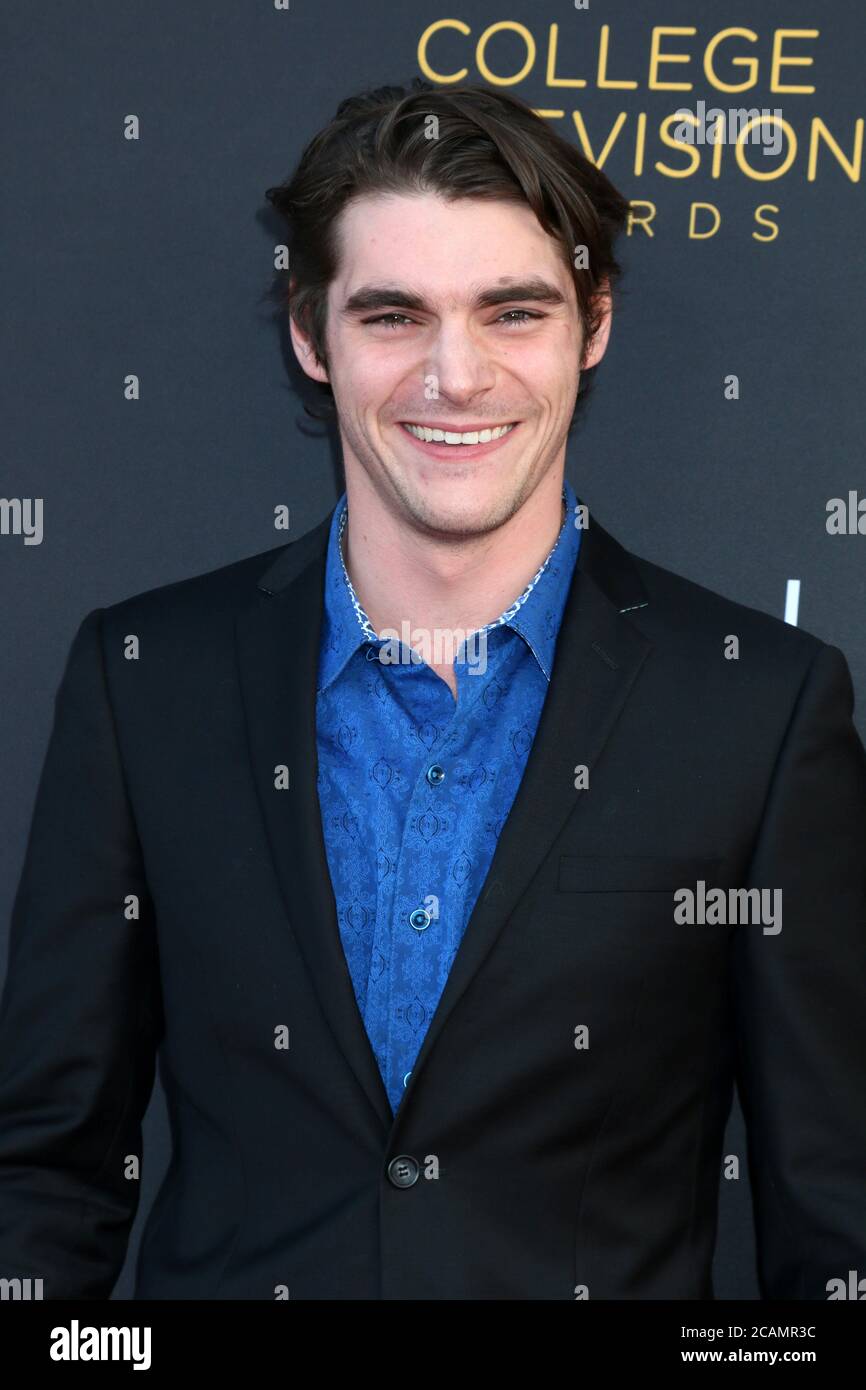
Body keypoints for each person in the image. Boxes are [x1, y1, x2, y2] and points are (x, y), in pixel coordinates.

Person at [1, 80, 865, 1301]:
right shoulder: (147, 680)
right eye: (394, 316)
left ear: (592, 324)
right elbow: (44, 1173)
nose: (453, 378)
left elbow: (835, 1212)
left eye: (511, 312)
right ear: (312, 336)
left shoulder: (758, 709)